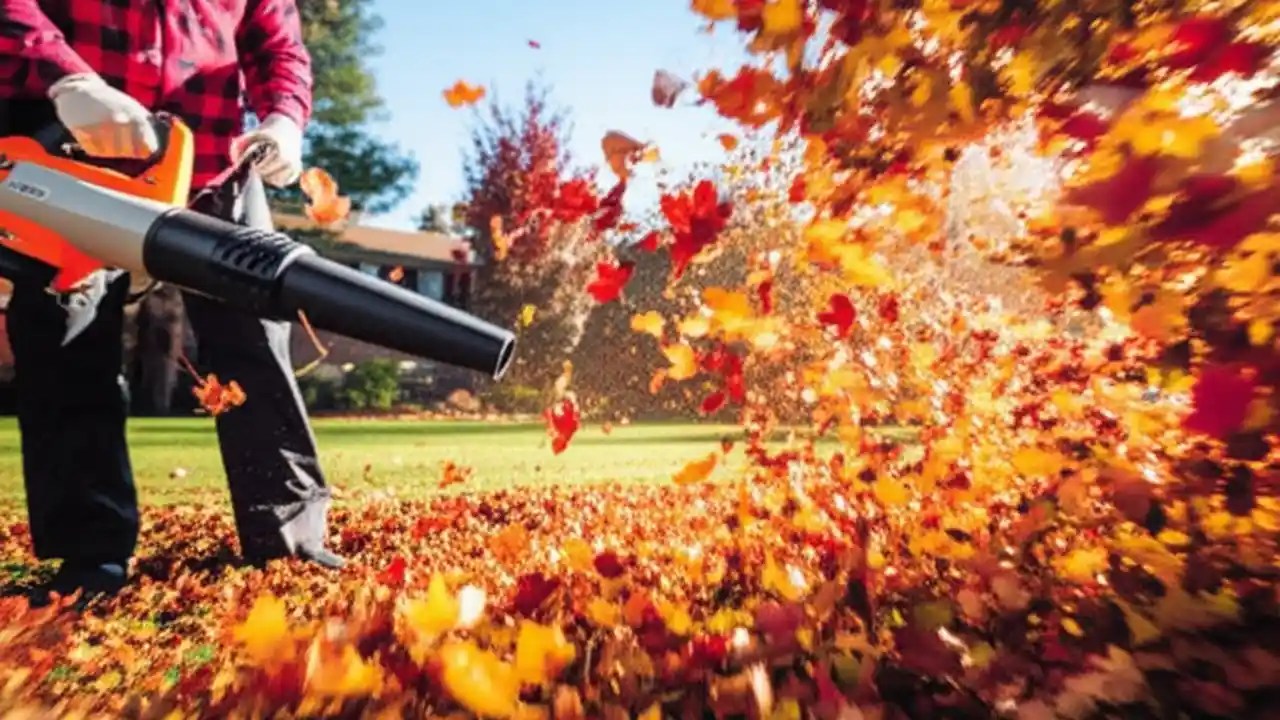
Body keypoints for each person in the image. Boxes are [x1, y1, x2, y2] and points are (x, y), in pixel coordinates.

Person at [0, 0, 344, 605]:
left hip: (215, 164)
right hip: (73, 150)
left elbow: (277, 46)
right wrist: (64, 76)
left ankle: (290, 540)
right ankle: (91, 555)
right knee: (67, 340)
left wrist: (284, 117)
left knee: (255, 340)